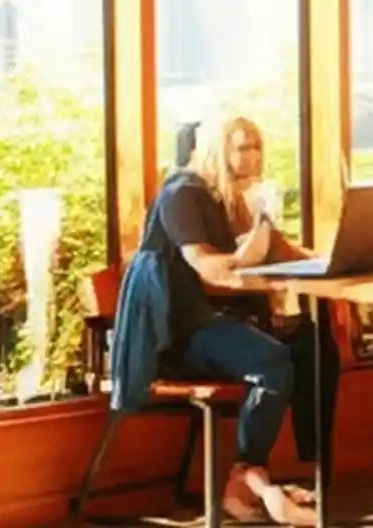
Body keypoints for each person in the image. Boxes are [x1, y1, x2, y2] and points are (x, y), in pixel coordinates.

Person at [111, 115, 337, 525]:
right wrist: (256, 276)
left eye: (255, 146)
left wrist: (329, 261)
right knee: (271, 361)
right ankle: (247, 475)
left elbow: (273, 245)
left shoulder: (225, 197)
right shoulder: (182, 193)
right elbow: (207, 266)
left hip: (206, 318)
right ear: (218, 148)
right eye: (240, 147)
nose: (250, 156)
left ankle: (310, 468)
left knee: (312, 345)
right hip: (174, 332)